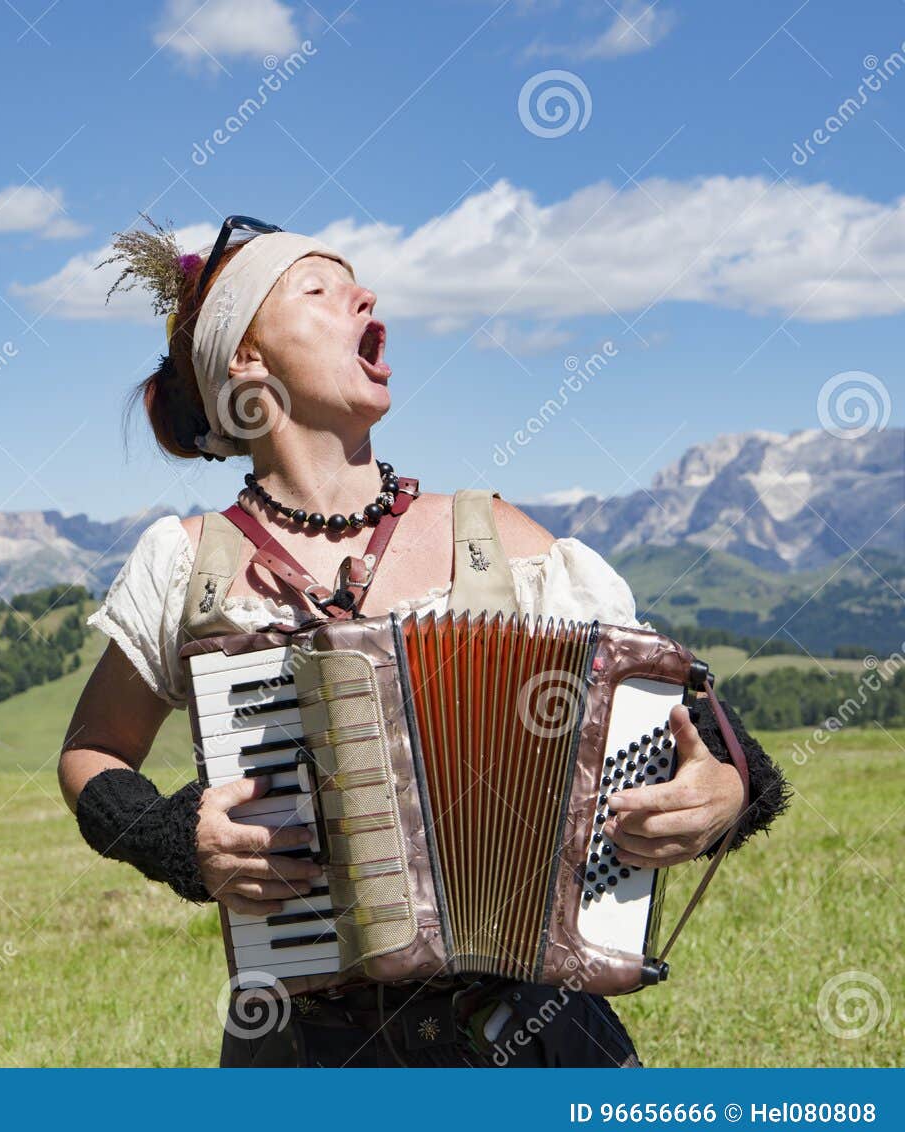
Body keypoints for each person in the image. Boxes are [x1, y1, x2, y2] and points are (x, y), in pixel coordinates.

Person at [57, 215, 789, 1068]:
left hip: (532, 1036)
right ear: (246, 360)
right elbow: (92, 749)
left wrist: (726, 789)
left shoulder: (497, 538)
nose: (365, 295)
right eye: (320, 288)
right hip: (303, 1050)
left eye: (361, 283)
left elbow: (690, 717)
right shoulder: (189, 562)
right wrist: (169, 839)